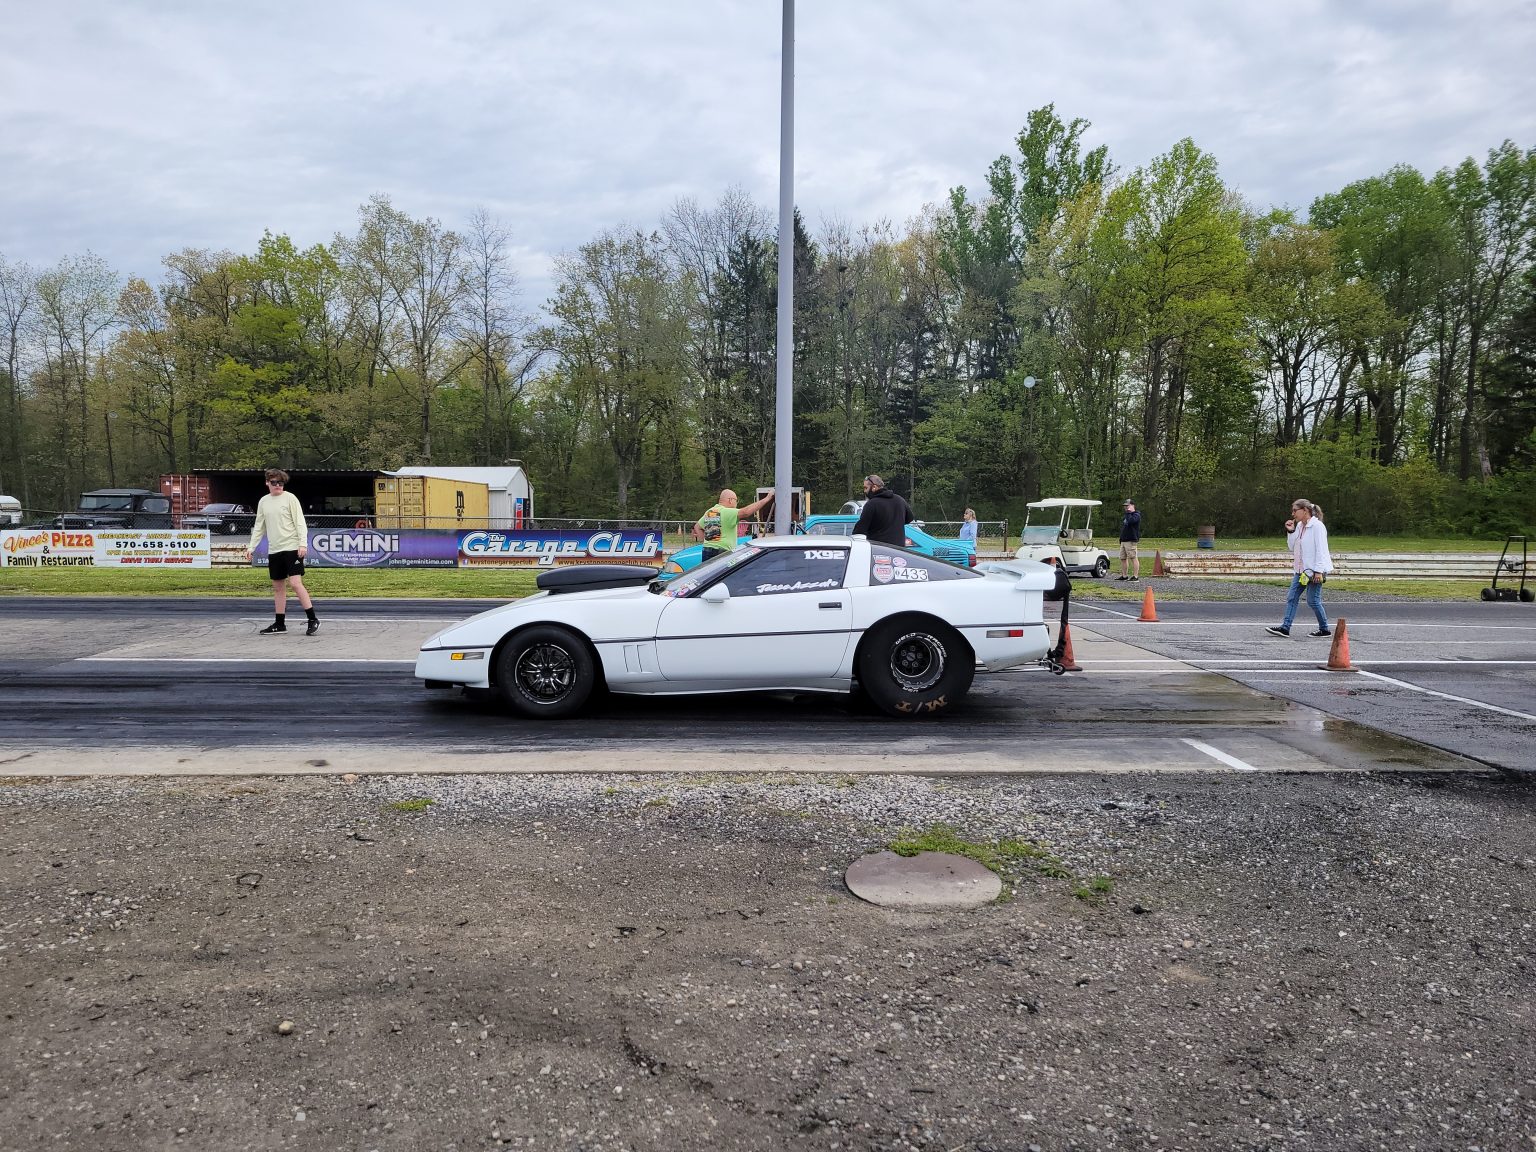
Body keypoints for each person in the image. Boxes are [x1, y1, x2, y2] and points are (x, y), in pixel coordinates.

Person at [246, 469, 319, 636]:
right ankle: (280, 624)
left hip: (292, 547)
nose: (278, 485)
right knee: (278, 587)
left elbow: (300, 522)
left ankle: (312, 618)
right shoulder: (264, 501)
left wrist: (302, 544)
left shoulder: (290, 498)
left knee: (295, 583)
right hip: (275, 549)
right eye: (274, 482)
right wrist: (251, 547)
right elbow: (259, 526)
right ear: (267, 483)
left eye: (281, 483)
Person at [1265, 497, 1333, 638]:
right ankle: (1285, 628)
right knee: (1292, 597)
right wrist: (1290, 531)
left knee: (1313, 601)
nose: (1293, 514)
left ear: (1305, 510)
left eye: (1295, 510)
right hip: (1301, 570)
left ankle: (1324, 629)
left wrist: (1318, 571)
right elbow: (1292, 546)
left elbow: (1321, 550)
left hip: (1315, 571)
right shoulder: (1300, 526)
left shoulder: (1317, 527)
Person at [693, 488, 774, 560]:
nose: (736, 504)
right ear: (730, 500)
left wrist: (706, 541)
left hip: (707, 551)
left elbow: (697, 527)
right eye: (736, 501)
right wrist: (767, 498)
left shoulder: (710, 511)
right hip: (721, 553)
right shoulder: (726, 511)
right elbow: (746, 512)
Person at [851, 474, 914, 548]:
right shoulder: (900, 500)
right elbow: (910, 518)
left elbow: (859, 530)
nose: (864, 491)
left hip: (879, 550)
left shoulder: (871, 504)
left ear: (874, 487)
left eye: (866, 488)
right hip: (899, 551)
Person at [1117, 499, 1142, 581]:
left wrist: (1128, 513)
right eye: (1125, 506)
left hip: (1131, 540)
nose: (1126, 508)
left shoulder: (1136, 515)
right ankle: (1124, 575)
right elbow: (1124, 527)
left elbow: (1131, 521)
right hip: (1124, 540)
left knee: (1133, 557)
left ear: (1132, 505)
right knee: (1123, 558)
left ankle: (1135, 576)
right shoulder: (1127, 515)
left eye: (1127, 506)